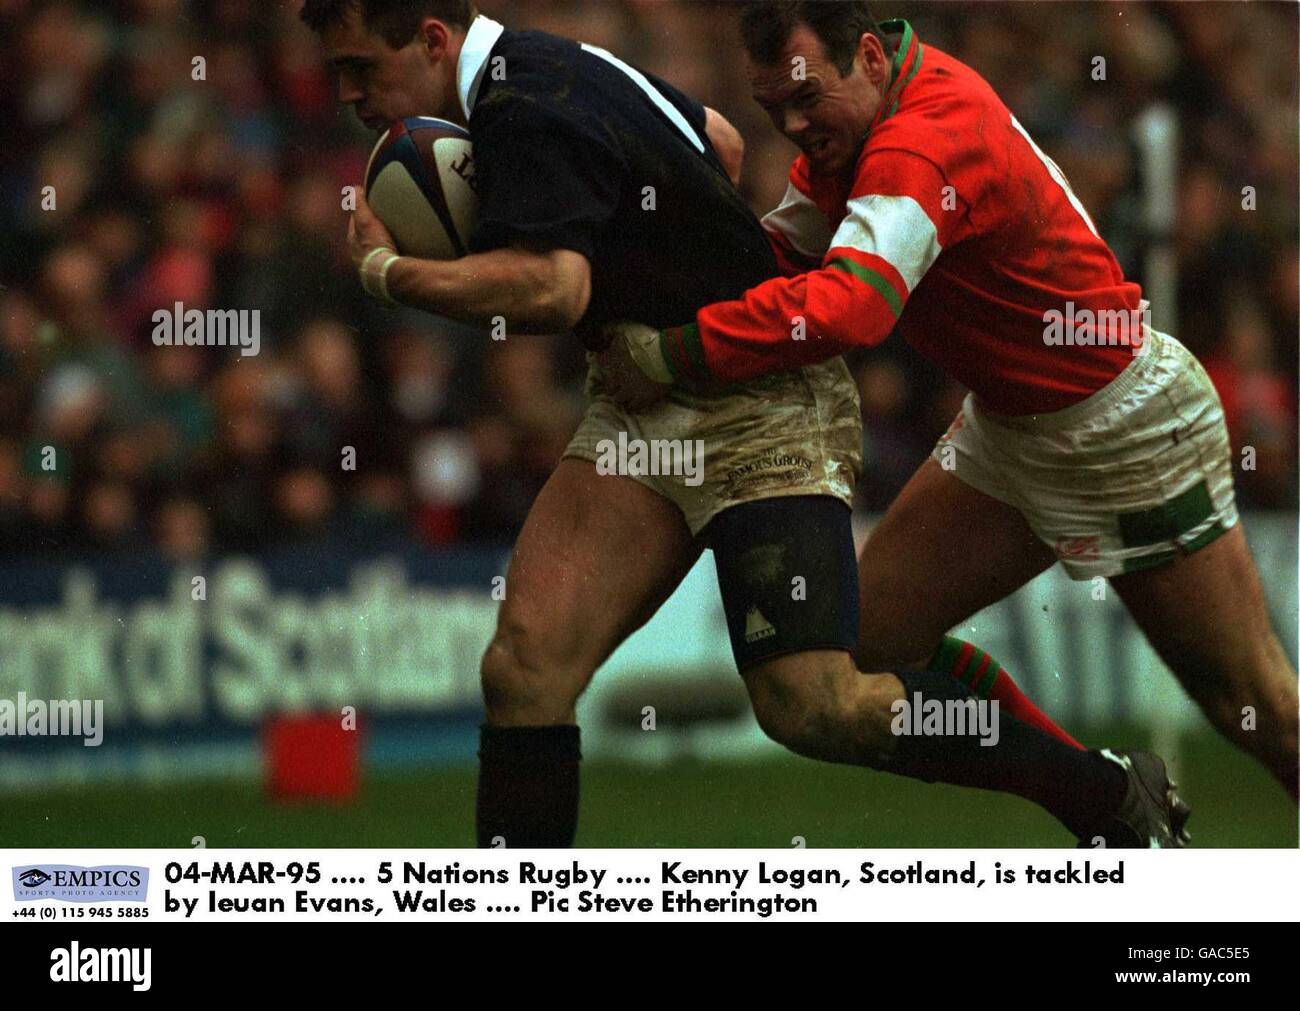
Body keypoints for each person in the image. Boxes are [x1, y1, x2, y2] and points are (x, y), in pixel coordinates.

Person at [303, 0, 1188, 849]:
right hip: (645, 403)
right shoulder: (559, 63)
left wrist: (388, 274)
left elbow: (551, 288)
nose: (348, 94)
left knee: (814, 703)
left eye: (359, 67)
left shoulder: (523, 104)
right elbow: (718, 142)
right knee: (524, 667)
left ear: (428, 41)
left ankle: (1103, 791)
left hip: (764, 406)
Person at [599, 1, 1298, 810]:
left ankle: (1111, 802)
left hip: (1125, 431)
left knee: (1260, 712)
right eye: (773, 109)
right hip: (1012, 429)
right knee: (872, 645)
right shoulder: (859, 123)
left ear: (866, 55)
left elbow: (850, 308)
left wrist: (676, 350)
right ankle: (1107, 798)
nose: (791, 126)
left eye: (805, 98)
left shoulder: (921, 138)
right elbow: (776, 254)